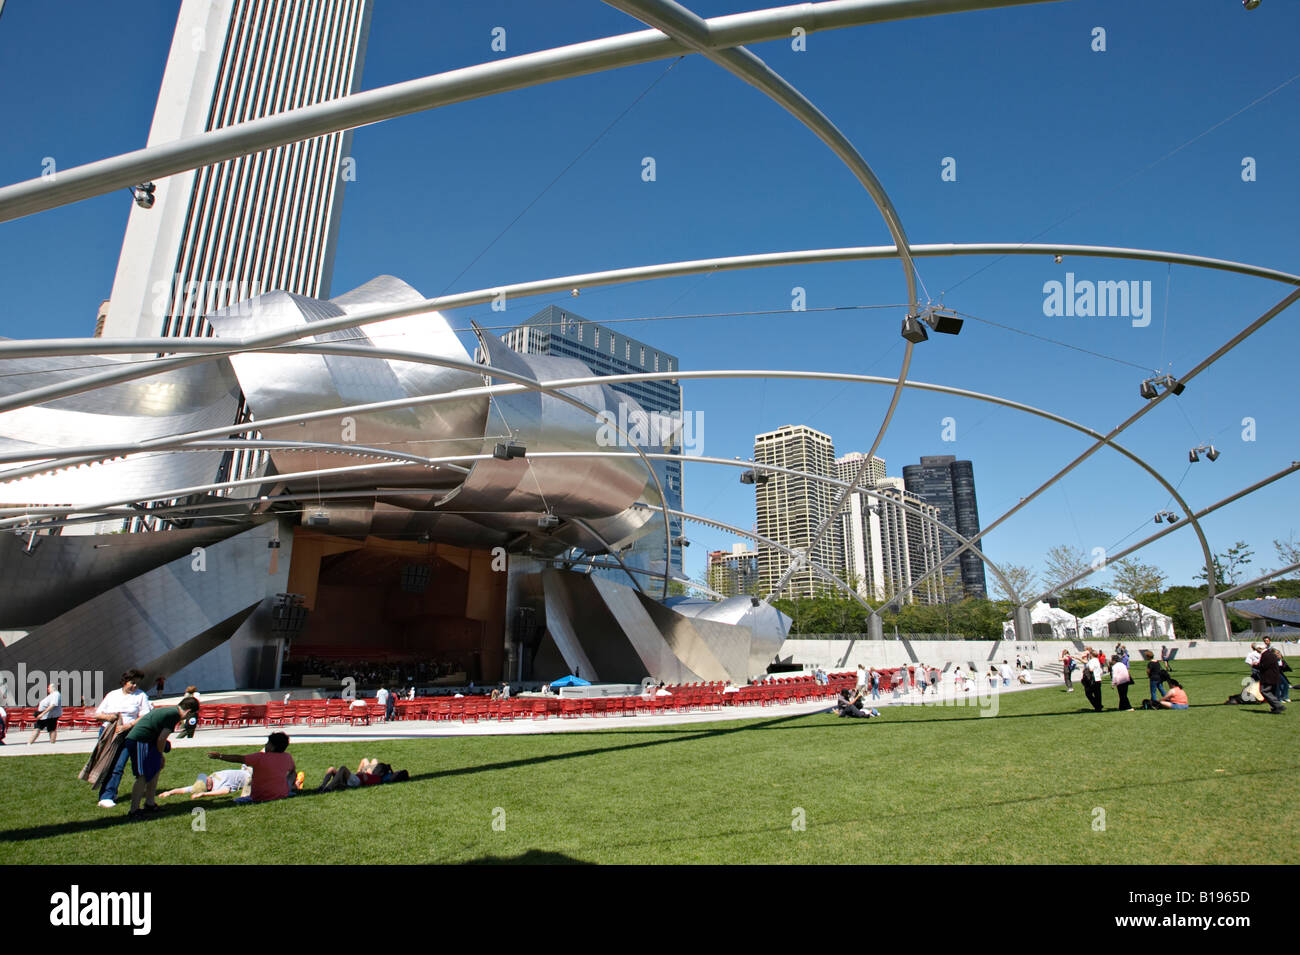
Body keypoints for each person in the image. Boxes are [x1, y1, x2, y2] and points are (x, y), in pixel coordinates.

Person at [123, 696, 201, 816]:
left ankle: (150, 803)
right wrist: (160, 755)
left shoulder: (170, 711)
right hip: (140, 741)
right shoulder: (173, 715)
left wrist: (159, 756)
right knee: (142, 775)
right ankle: (134, 810)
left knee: (155, 769)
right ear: (189, 711)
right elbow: (162, 738)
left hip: (148, 742)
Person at [92, 669, 154, 809]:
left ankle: (108, 795)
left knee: (118, 766)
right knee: (106, 764)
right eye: (132, 683)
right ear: (125, 682)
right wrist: (109, 717)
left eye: (137, 684)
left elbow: (144, 715)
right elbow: (98, 714)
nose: (134, 686)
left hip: (128, 734)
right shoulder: (112, 695)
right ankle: (105, 793)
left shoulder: (141, 696)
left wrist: (129, 725)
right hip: (110, 732)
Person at [209, 732, 295, 803]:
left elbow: (238, 758)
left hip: (260, 797)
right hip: (282, 794)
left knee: (236, 801)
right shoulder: (287, 757)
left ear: (272, 747)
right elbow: (292, 771)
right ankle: (293, 785)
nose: (266, 744)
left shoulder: (260, 757)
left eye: (268, 743)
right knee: (290, 775)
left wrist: (220, 756)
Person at [160, 766, 251, 800]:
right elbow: (226, 791)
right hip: (250, 775)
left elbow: (184, 789)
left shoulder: (206, 781)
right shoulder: (218, 785)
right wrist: (204, 794)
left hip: (244, 769)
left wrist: (169, 792)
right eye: (206, 779)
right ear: (208, 785)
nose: (207, 777)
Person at [1256, 642, 1287, 715]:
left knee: (1264, 691)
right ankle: (1275, 709)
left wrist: (1255, 665)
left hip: (1268, 677)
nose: (1256, 651)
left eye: (1257, 649)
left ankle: (1279, 706)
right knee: (1272, 693)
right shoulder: (1270, 654)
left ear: (1260, 648)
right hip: (1275, 677)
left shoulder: (1266, 655)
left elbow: (1263, 666)